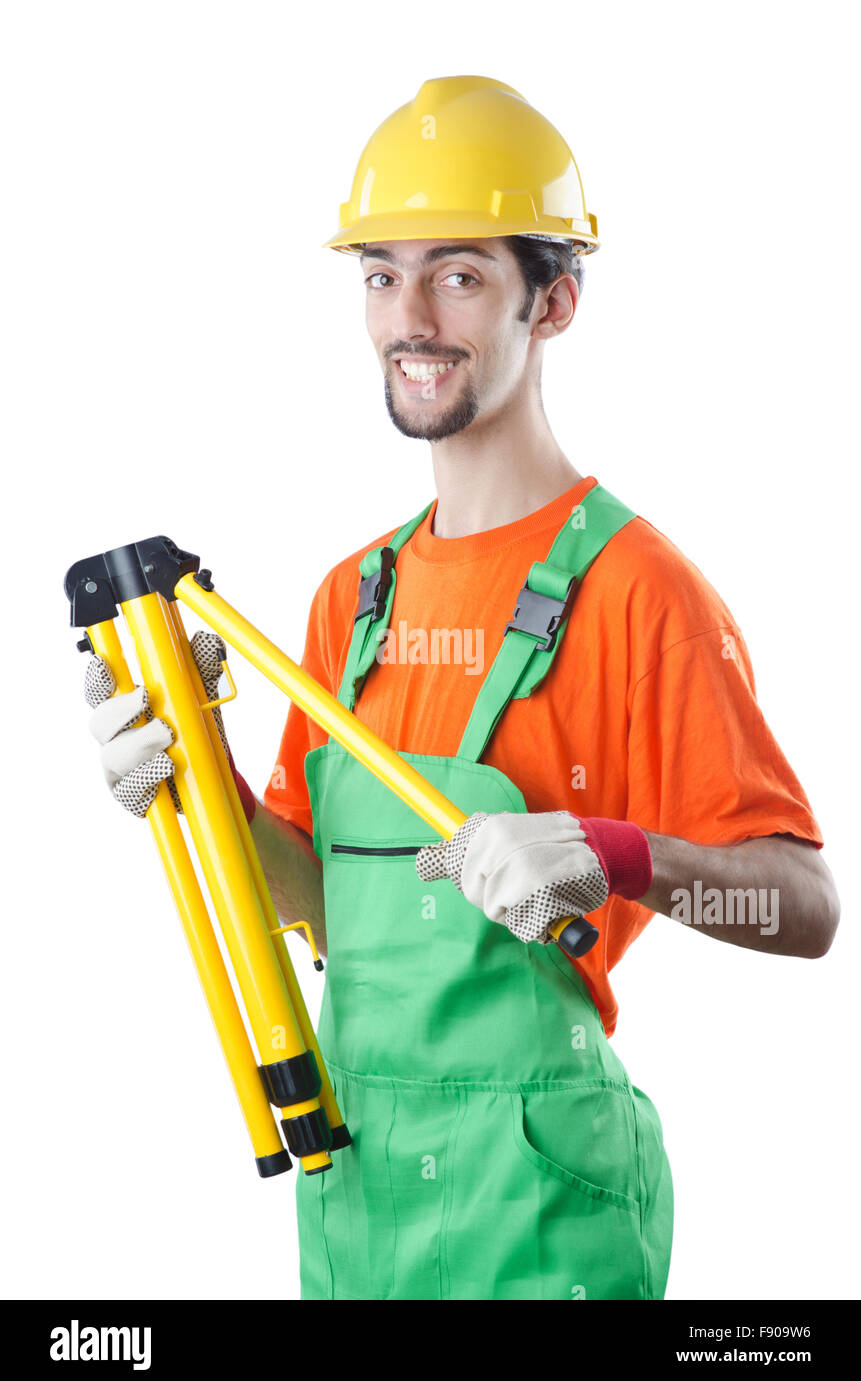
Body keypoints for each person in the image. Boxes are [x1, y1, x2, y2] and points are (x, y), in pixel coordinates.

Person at [87, 76, 839, 1301]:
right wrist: (191, 782)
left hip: (544, 1213)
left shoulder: (642, 591)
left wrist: (615, 855)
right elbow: (332, 908)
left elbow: (802, 911)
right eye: (381, 274)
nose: (409, 318)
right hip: (360, 1189)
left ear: (556, 302)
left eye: (460, 274)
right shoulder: (353, 599)